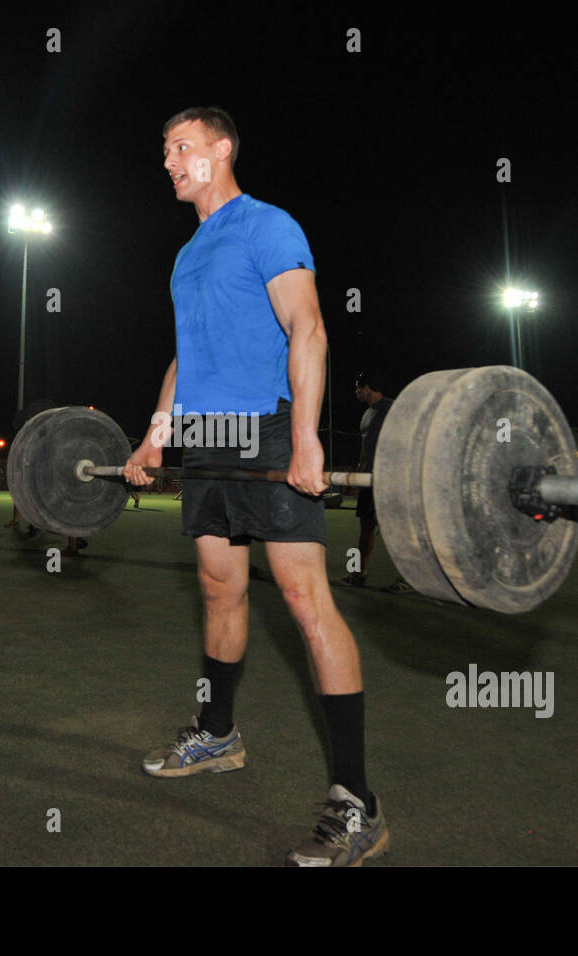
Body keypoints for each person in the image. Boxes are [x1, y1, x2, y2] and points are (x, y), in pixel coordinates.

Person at [123, 107, 387, 866]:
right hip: (205, 439)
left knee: (306, 601)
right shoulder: (185, 256)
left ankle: (356, 800)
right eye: (164, 149)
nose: (169, 160)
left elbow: (308, 328)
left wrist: (305, 438)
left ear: (222, 148)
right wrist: (156, 432)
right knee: (218, 591)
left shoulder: (267, 225)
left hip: (265, 429)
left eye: (181, 146)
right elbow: (185, 357)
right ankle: (217, 734)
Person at [343, 371, 395, 587]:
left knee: (398, 530)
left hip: (389, 479)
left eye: (358, 387)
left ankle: (410, 579)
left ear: (367, 387)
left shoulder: (392, 408)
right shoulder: (366, 415)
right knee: (365, 526)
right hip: (368, 480)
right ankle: (359, 573)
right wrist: (359, 472)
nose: (356, 392)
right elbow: (365, 447)